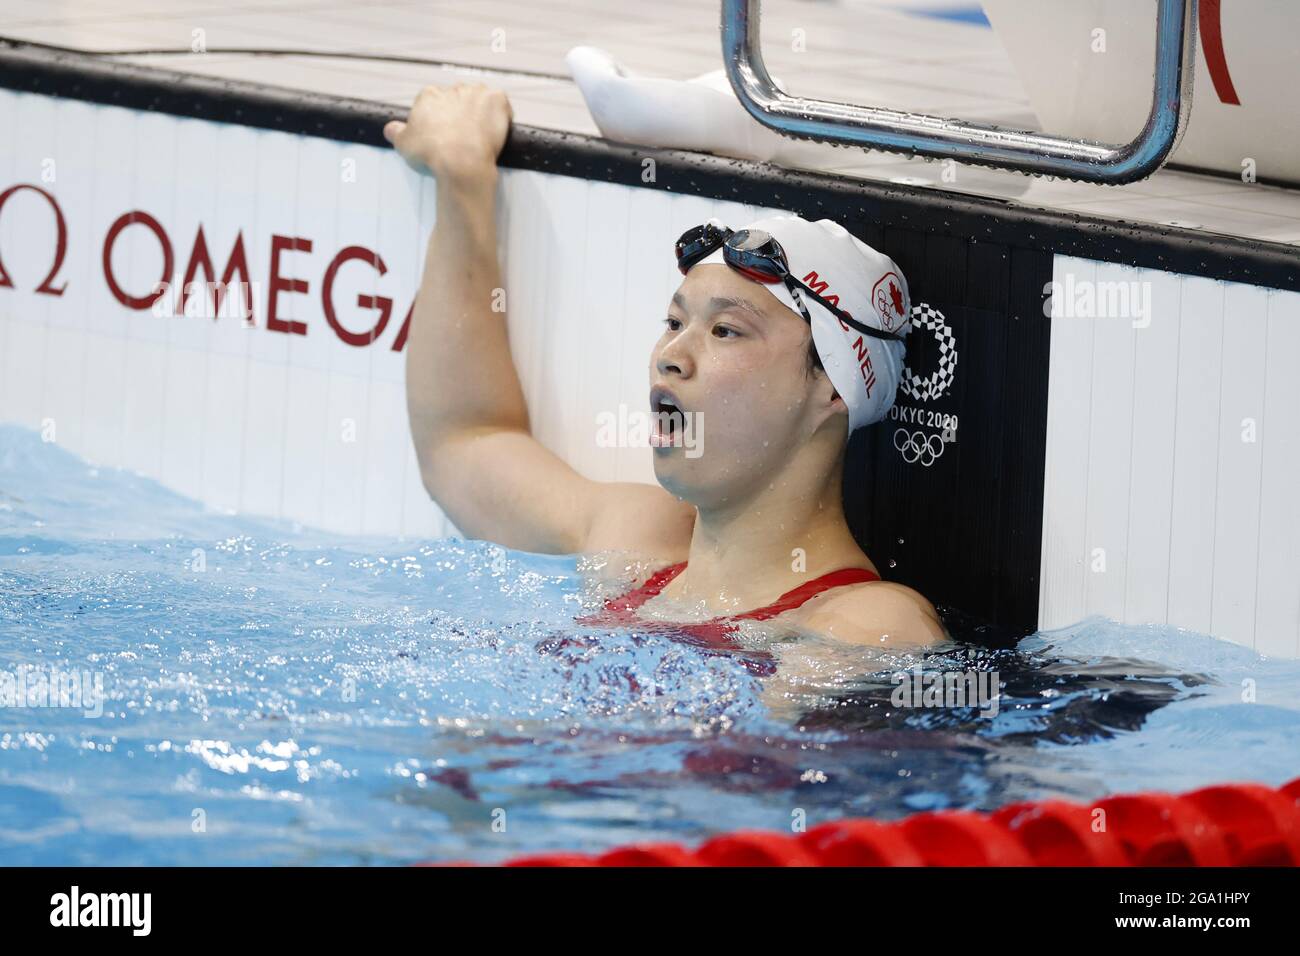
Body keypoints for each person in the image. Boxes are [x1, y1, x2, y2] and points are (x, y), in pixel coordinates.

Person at [383, 83, 946, 652]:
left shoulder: (866, 626)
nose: (670, 356)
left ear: (831, 387)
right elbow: (463, 441)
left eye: (726, 330)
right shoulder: (636, 542)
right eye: (674, 323)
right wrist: (462, 180)